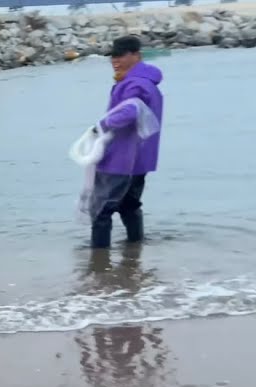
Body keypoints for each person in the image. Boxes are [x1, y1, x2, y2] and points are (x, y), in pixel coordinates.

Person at [88, 35, 164, 249]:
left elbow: (130, 111)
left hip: (122, 159)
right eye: (113, 55)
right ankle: (135, 250)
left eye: (121, 55)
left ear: (136, 55)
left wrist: (102, 125)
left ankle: (99, 264)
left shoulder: (134, 84)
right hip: (141, 159)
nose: (115, 60)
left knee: (101, 211)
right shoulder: (147, 81)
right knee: (129, 205)